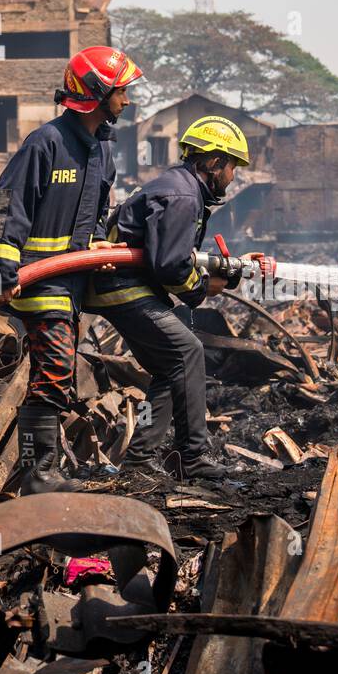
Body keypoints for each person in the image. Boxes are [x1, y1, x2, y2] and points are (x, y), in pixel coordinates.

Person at [0, 45, 142, 493]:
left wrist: (99, 247)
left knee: (56, 375)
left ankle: (40, 473)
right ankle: (39, 474)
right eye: (121, 90)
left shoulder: (101, 152)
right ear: (96, 90)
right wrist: (0, 267)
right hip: (36, 281)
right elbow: (8, 205)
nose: (126, 100)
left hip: (69, 284)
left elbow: (91, 216)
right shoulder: (47, 142)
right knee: (53, 372)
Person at [86, 116, 257, 480]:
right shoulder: (182, 196)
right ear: (213, 162)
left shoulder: (181, 188)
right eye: (231, 167)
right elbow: (170, 266)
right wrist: (202, 289)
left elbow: (172, 253)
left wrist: (233, 267)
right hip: (123, 289)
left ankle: (139, 458)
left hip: (122, 287)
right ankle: (193, 457)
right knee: (189, 352)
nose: (232, 177)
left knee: (169, 367)